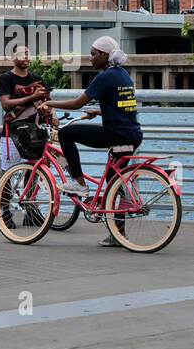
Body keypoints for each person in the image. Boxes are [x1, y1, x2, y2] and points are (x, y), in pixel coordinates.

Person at [39, 36, 142, 247]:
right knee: (114, 182)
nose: (90, 58)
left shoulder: (105, 77)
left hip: (116, 134)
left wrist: (49, 102)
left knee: (67, 134)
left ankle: (79, 184)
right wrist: (98, 110)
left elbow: (77, 103)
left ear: (105, 56)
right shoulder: (123, 75)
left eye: (94, 54)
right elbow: (122, 106)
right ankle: (118, 235)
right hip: (132, 134)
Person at [0, 45, 49, 167]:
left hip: (34, 131)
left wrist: (53, 115)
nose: (25, 56)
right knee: (7, 174)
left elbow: (47, 101)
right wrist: (32, 97)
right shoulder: (5, 78)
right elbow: (5, 104)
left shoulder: (37, 78)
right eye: (21, 54)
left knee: (33, 172)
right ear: (13, 58)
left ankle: (28, 188)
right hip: (13, 132)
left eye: (27, 53)